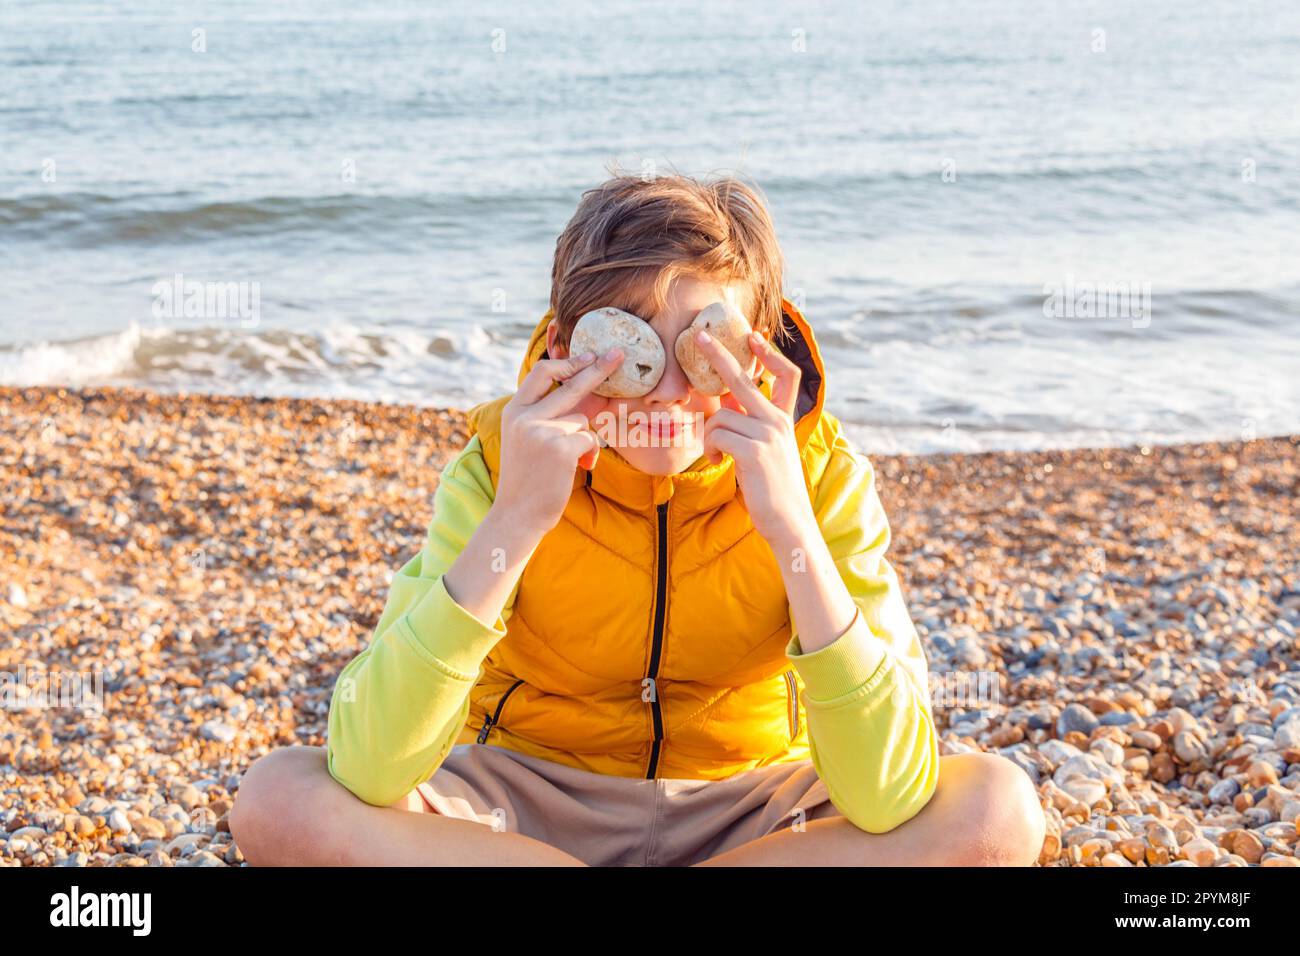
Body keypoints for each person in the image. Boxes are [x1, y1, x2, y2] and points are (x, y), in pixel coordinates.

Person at [230, 172, 1046, 866]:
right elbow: (371, 767)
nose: (664, 395)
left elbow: (887, 795)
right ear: (562, 349)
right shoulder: (496, 464)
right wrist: (516, 515)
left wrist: (791, 525)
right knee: (280, 798)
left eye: (702, 349)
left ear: (758, 352)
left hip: (754, 814)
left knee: (997, 810)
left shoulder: (821, 475)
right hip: (528, 806)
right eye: (629, 350)